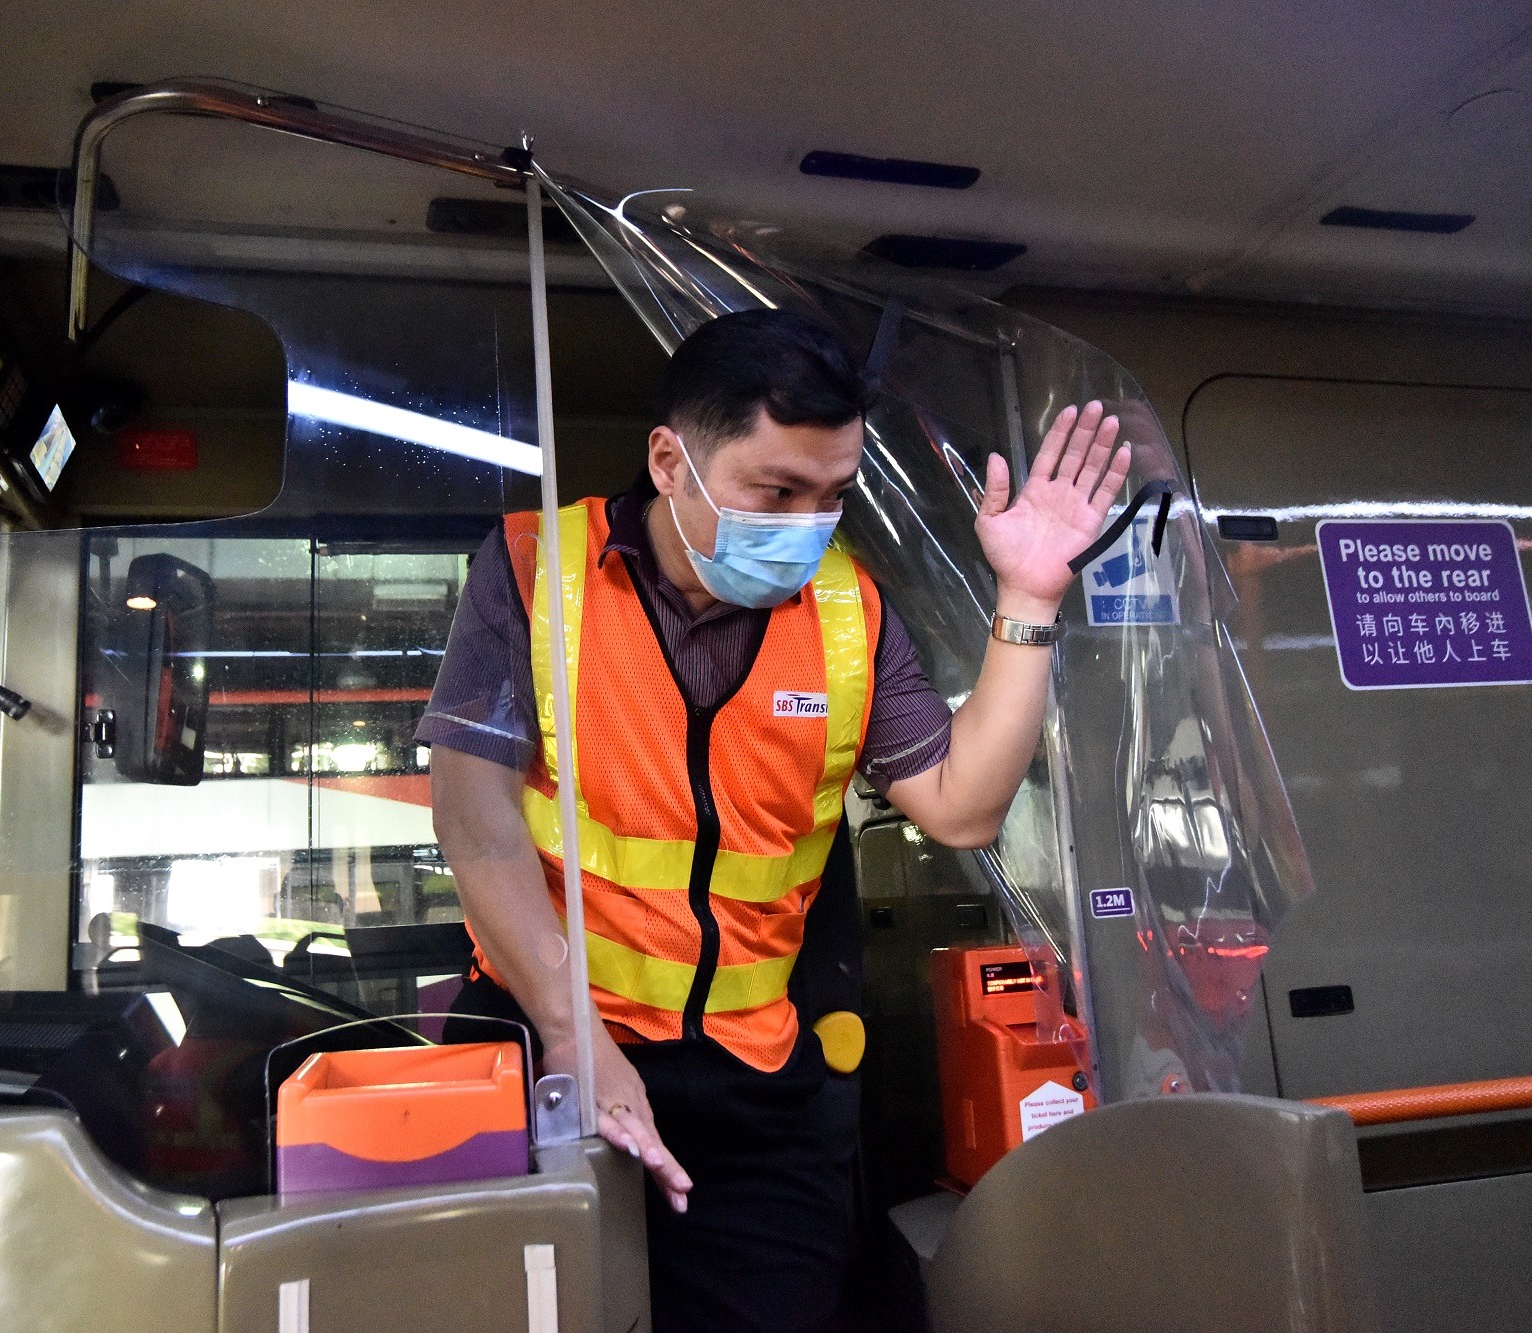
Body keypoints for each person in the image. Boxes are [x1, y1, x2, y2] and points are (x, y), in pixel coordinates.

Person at [422, 309, 1129, 1332]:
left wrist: (1026, 593)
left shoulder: (848, 611)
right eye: (776, 491)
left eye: (831, 495)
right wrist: (574, 1031)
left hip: (758, 1090)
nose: (805, 522)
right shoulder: (536, 571)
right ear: (671, 460)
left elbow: (963, 805)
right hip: (551, 1048)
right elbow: (474, 816)